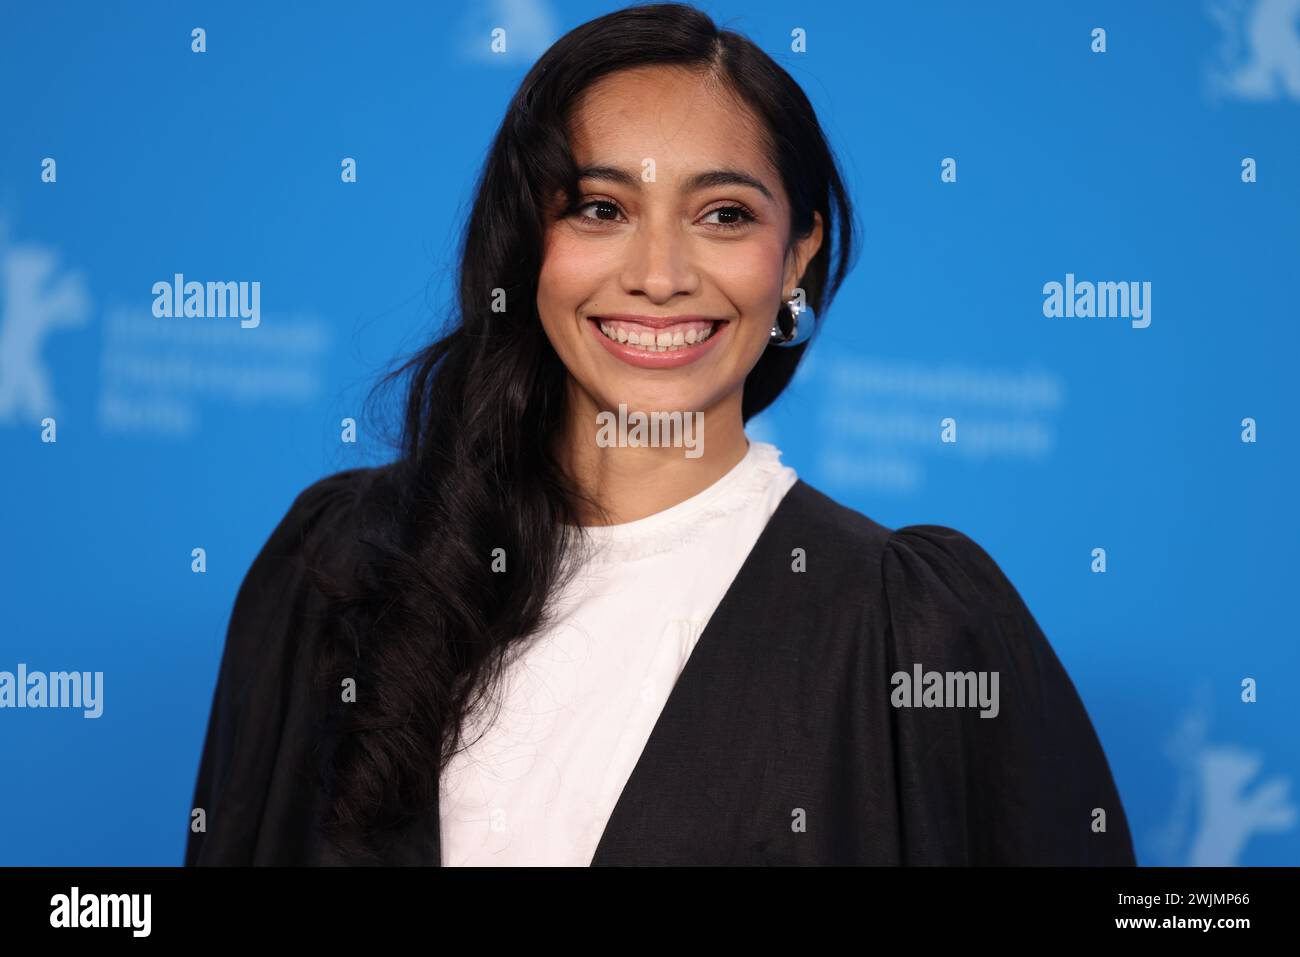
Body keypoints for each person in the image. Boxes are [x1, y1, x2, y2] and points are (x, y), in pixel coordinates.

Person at [185, 2, 1135, 866]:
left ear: (797, 253)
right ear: (527, 240)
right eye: (601, 209)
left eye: (723, 215)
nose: (660, 274)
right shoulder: (346, 563)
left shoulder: (906, 627)